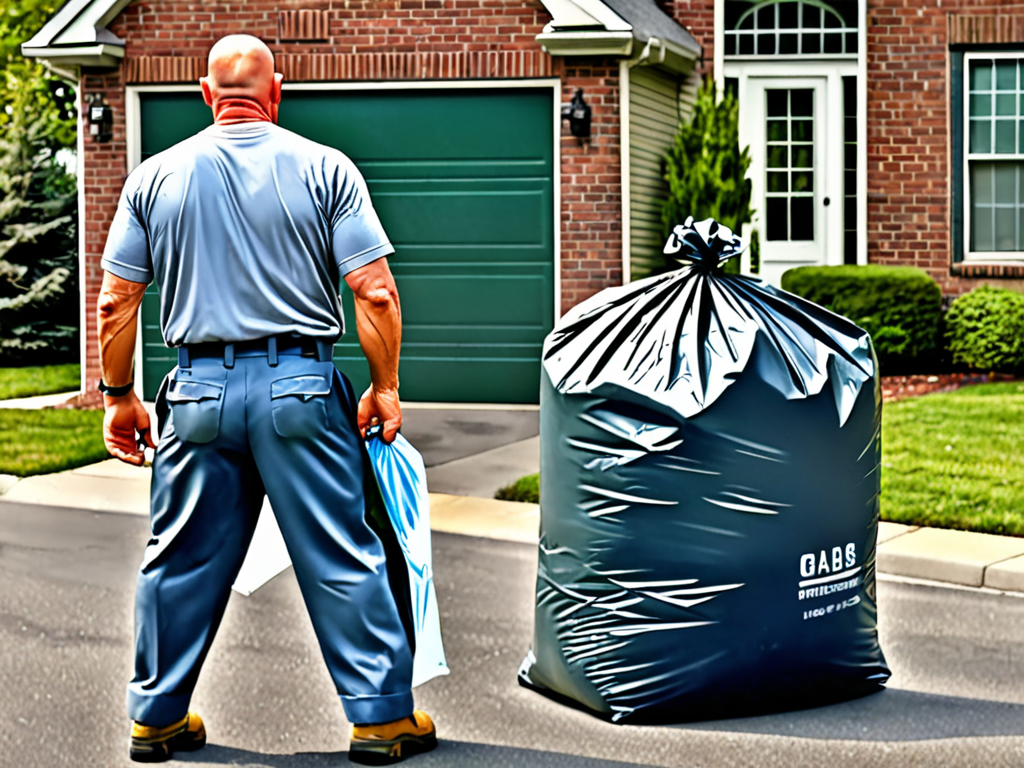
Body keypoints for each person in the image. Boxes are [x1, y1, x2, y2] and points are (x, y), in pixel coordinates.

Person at [96, 34, 436, 765]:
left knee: (177, 556)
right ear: (275, 93)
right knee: (343, 552)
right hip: (300, 389)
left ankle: (156, 716)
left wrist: (119, 395)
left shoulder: (153, 177)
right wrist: (385, 388)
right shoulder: (326, 168)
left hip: (196, 392)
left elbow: (116, 303)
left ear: (206, 95)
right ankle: (379, 719)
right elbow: (373, 289)